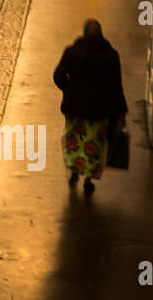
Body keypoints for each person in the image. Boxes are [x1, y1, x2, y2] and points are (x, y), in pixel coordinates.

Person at [52, 19, 129, 195]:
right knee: (94, 144)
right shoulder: (111, 55)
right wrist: (121, 111)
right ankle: (88, 179)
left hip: (75, 108)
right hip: (100, 110)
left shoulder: (72, 52)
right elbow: (117, 86)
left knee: (74, 140)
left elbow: (58, 76)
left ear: (84, 32)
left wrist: (69, 89)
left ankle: (74, 171)